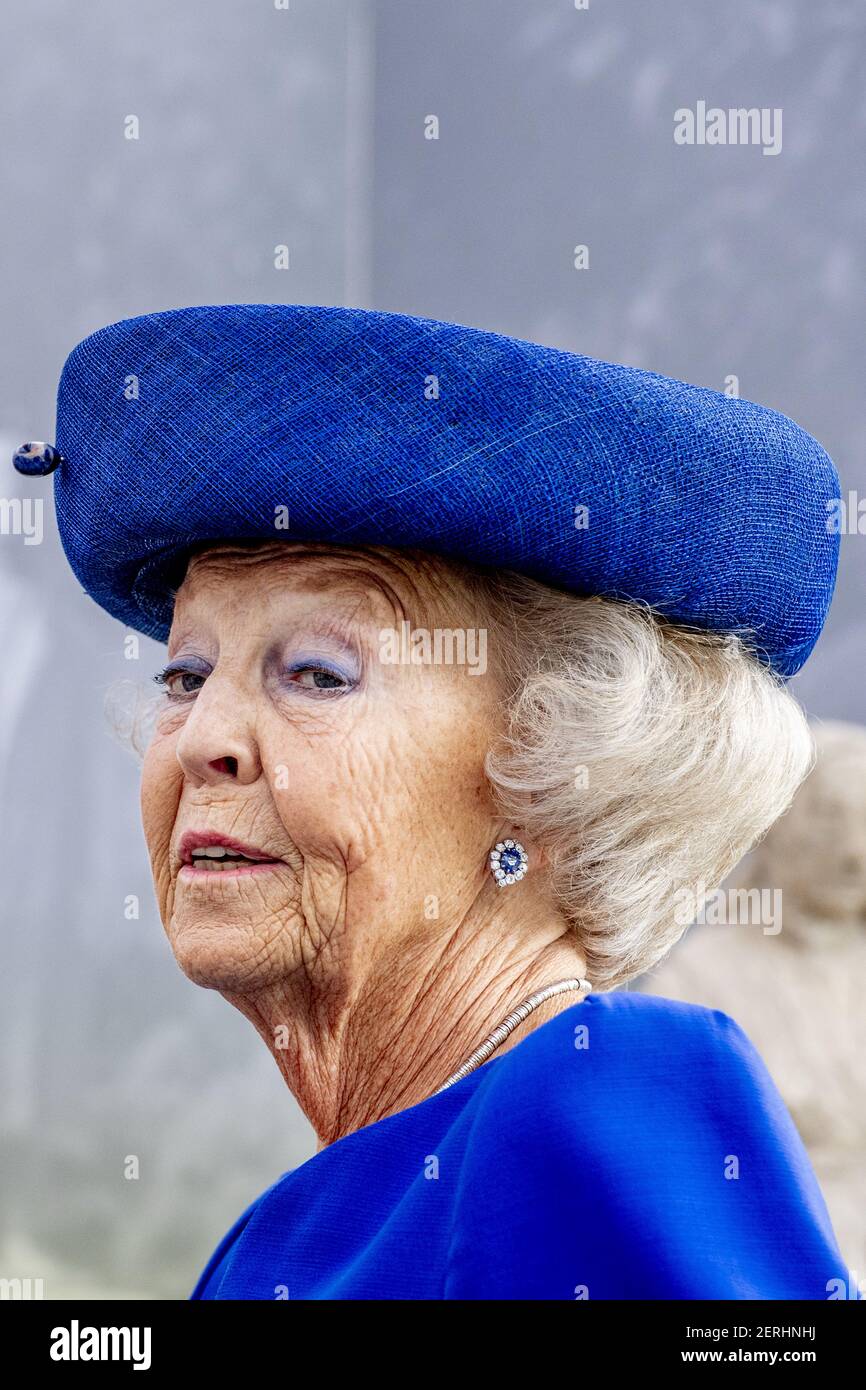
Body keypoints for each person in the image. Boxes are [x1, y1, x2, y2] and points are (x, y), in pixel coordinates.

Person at [14, 302, 850, 1299]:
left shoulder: (606, 1091)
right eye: (186, 675)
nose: (201, 739)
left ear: (551, 777)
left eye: (317, 673)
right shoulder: (281, 1239)